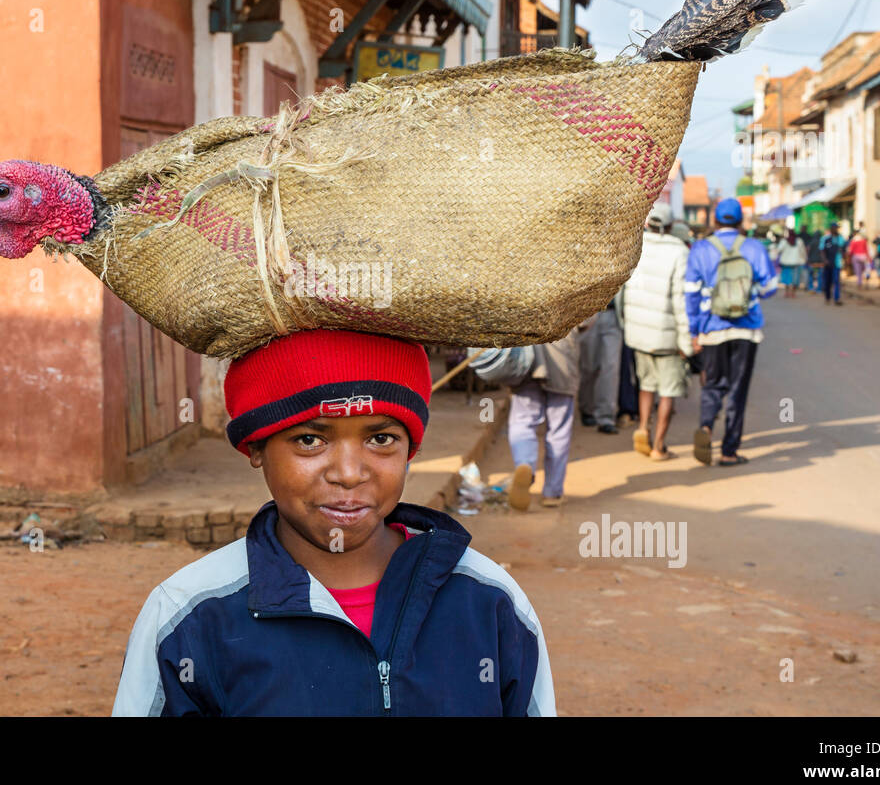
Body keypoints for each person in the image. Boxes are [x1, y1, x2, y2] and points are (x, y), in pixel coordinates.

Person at [111, 329, 557, 716]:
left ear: (410, 449)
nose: (348, 472)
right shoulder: (188, 616)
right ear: (256, 448)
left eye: (381, 438)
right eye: (310, 440)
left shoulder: (489, 602)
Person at [684, 198, 778, 467]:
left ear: (715, 220)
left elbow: (690, 293)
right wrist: (750, 292)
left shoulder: (700, 249)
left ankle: (706, 428)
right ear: (740, 222)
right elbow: (771, 286)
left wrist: (694, 330)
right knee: (738, 388)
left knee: (713, 384)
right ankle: (729, 451)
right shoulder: (754, 247)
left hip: (712, 329)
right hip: (746, 329)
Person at [620, 203, 691, 461]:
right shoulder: (679, 252)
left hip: (638, 334)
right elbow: (680, 300)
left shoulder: (637, 246)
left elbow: (623, 290)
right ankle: (659, 446)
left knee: (646, 386)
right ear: (672, 227)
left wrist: (626, 325)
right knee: (669, 390)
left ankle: (642, 428)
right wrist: (686, 342)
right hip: (667, 337)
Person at [508, 327, 585, 510]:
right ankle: (552, 492)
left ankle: (525, 464)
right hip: (562, 359)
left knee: (522, 420)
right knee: (559, 429)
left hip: (526, 356)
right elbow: (588, 318)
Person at [578, 303, 622, 434]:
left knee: (611, 367)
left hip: (614, 314)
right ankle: (586, 409)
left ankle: (606, 417)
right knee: (589, 367)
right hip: (590, 312)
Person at [819, 222, 845, 305]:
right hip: (828, 264)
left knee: (836, 281)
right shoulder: (825, 238)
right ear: (831, 228)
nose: (835, 229)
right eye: (834, 228)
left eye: (836, 228)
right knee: (828, 281)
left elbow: (842, 249)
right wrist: (825, 260)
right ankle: (827, 298)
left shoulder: (840, 238)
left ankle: (836, 298)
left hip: (837, 264)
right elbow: (822, 250)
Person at [776, 229, 807, 299]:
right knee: (795, 279)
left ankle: (787, 293)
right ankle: (793, 293)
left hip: (786, 263)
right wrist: (804, 259)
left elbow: (779, 250)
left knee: (787, 279)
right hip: (795, 263)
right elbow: (803, 251)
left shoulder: (784, 241)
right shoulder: (799, 241)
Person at [804, 228, 824, 292]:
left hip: (812, 261)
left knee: (811, 275)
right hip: (820, 262)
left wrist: (808, 258)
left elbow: (808, 251)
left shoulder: (811, 242)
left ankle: (811, 287)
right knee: (820, 276)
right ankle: (819, 288)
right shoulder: (821, 242)